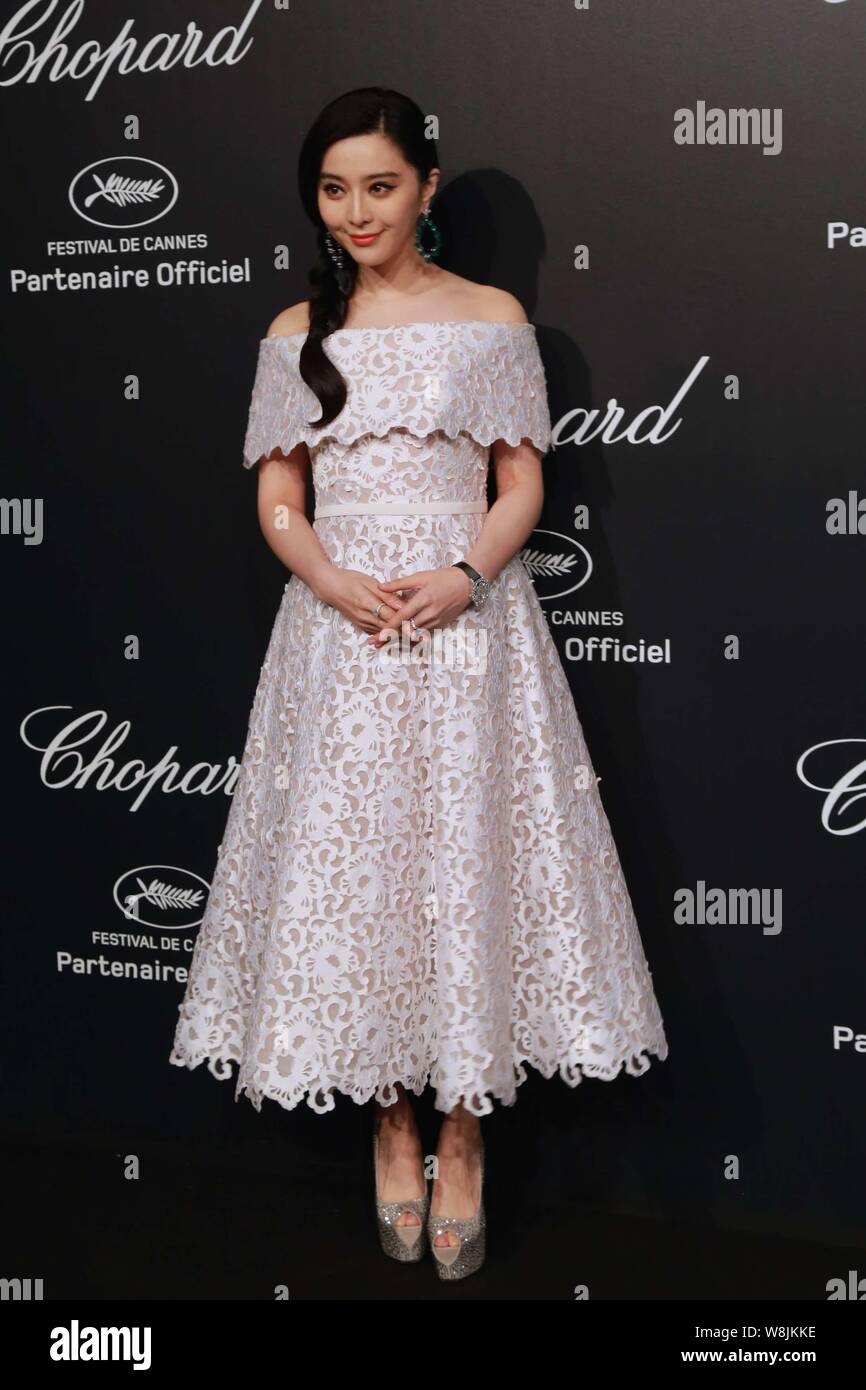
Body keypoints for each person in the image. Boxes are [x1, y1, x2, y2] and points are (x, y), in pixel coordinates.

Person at [169, 86, 669, 1282]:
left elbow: (519, 489)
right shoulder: (296, 330)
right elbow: (277, 499)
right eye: (333, 190)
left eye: (379, 186)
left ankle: (463, 1132)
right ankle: (390, 1125)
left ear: (426, 189)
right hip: (339, 641)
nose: (356, 211)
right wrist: (330, 578)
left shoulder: (492, 319)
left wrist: (462, 573)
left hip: (465, 635)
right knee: (372, 871)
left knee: (464, 862)